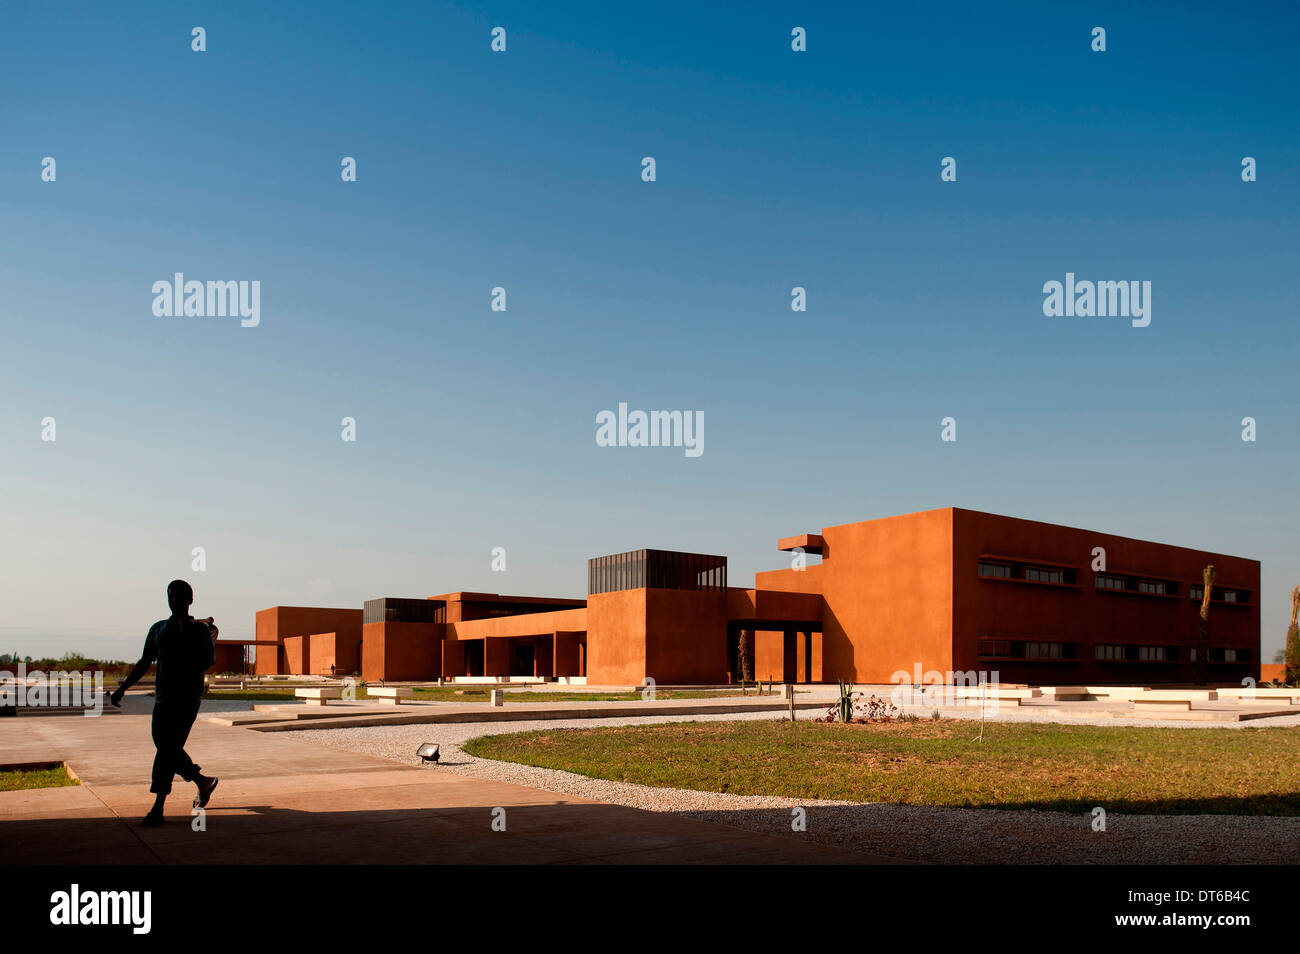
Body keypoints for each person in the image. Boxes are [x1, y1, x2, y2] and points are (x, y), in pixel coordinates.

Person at [110, 579, 219, 826]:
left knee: (167, 749)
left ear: (190, 600)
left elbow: (207, 661)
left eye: (180, 596)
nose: (175, 601)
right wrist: (122, 689)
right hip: (163, 698)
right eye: (171, 596)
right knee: (165, 746)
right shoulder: (158, 629)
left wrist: (192, 638)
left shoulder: (199, 631)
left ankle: (158, 808)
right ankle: (201, 781)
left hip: (188, 698)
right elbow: (144, 662)